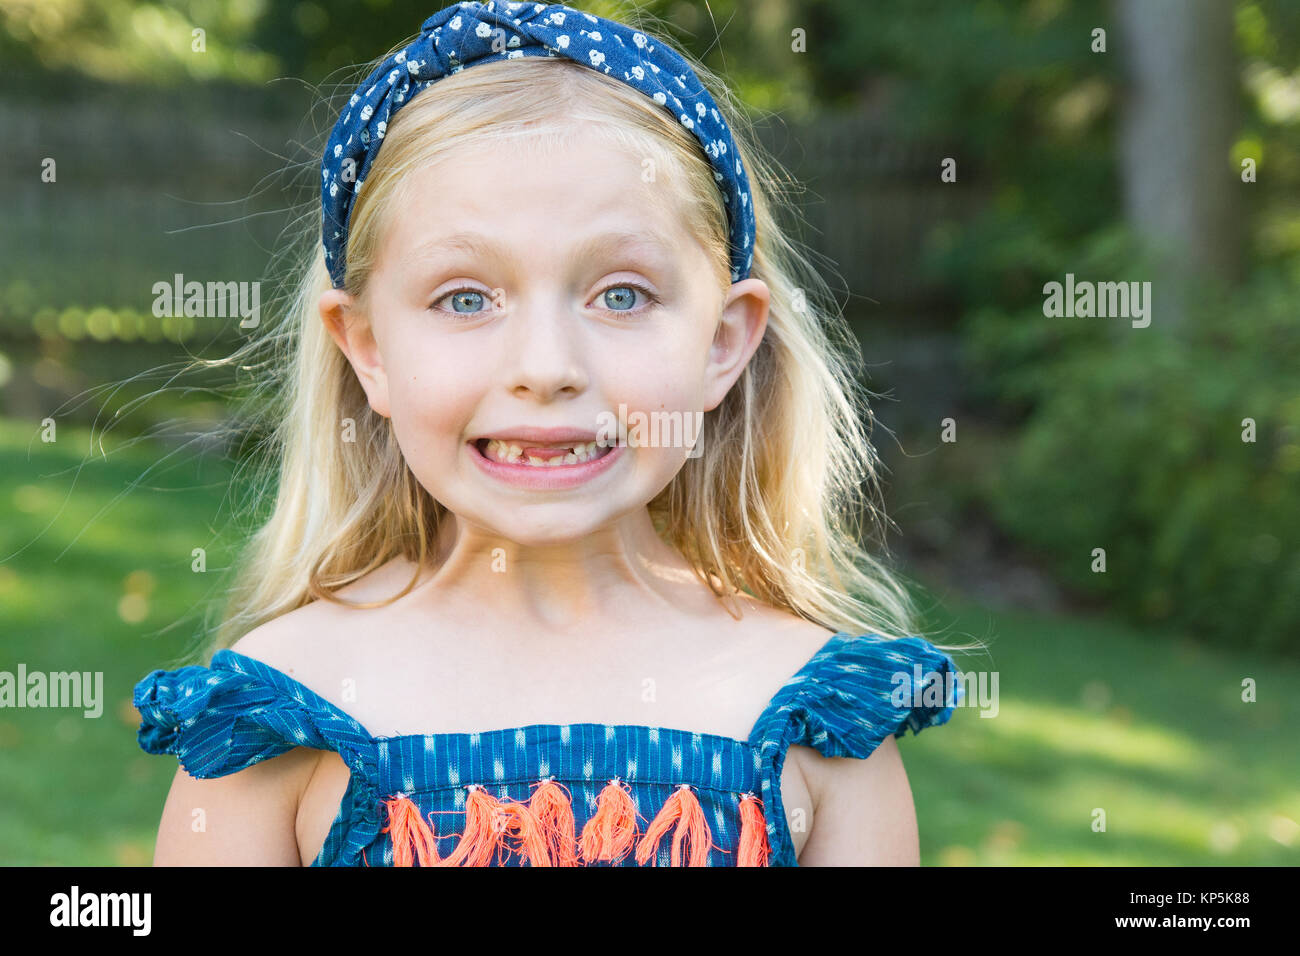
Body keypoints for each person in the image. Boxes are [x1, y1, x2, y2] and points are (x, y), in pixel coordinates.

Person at [133, 0, 969, 867]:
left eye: (621, 295)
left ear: (723, 343)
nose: (546, 366)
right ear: (370, 350)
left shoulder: (815, 713)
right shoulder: (279, 706)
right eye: (466, 298)